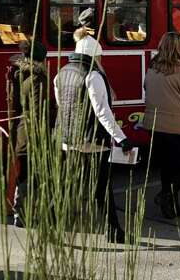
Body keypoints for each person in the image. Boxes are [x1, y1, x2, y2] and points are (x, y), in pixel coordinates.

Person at [54, 35, 136, 244]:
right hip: (92, 140)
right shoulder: (92, 75)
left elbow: (61, 105)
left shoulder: (61, 73)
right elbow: (102, 112)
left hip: (66, 138)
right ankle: (113, 230)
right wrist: (121, 138)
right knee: (102, 188)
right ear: (94, 55)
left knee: (67, 184)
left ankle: (53, 225)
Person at [142, 32, 180, 220]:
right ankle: (165, 196)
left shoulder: (152, 68)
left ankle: (171, 208)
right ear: (178, 47)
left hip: (155, 125)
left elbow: (146, 88)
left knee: (168, 168)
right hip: (178, 126)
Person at [5, 38, 52, 226]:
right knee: (34, 175)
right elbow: (38, 109)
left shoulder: (18, 73)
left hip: (21, 131)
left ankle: (19, 213)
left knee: (24, 173)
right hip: (33, 132)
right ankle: (27, 214)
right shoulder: (37, 77)